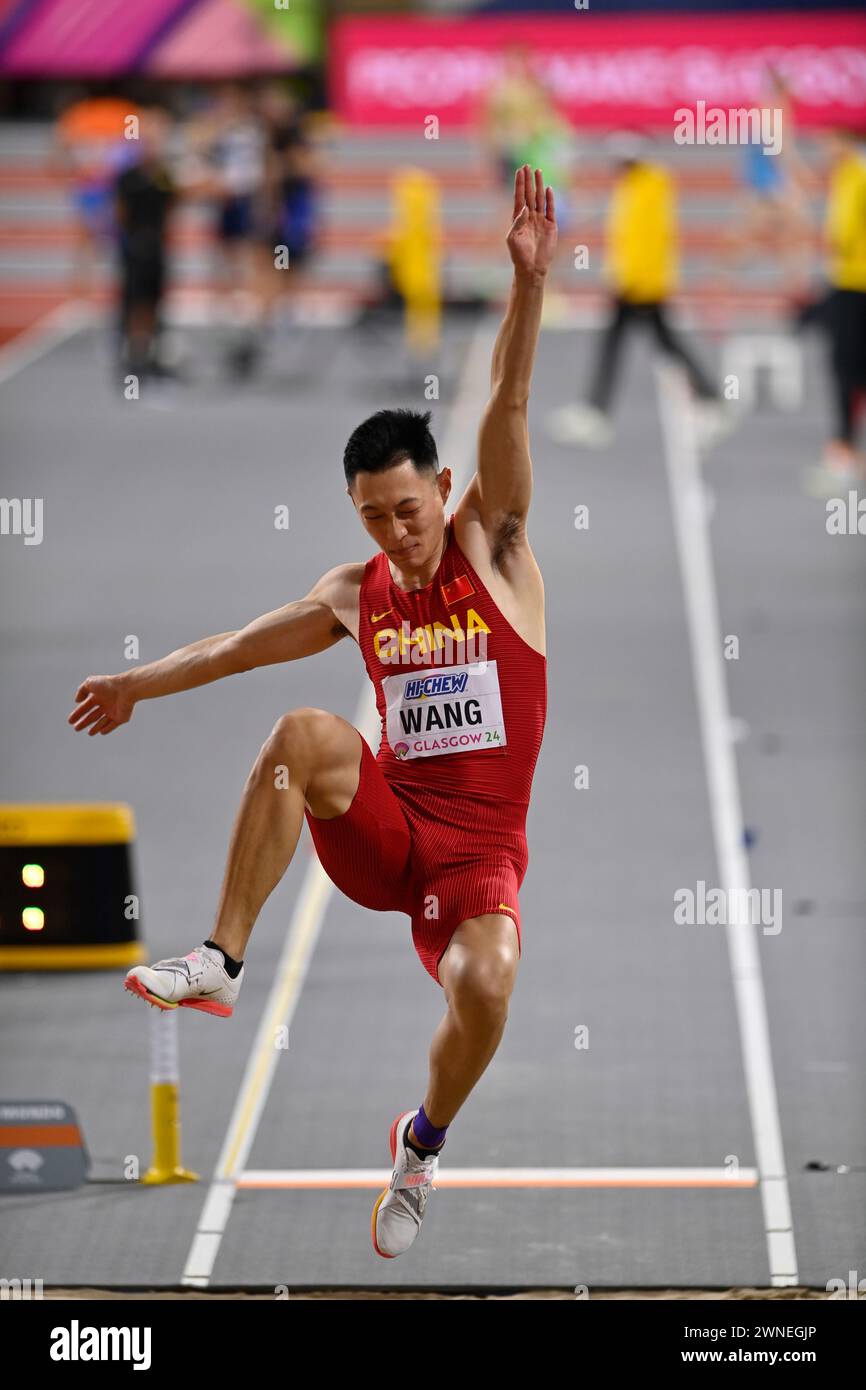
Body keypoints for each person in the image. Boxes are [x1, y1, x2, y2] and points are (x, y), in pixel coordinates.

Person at [68, 166, 556, 1259]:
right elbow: (237, 647)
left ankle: (420, 1145)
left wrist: (525, 288)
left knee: (487, 989)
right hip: (387, 834)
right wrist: (135, 685)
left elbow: (510, 404)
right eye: (374, 518)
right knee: (299, 733)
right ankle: (221, 962)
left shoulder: (496, 544)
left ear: (441, 488)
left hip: (478, 858)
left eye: (407, 507)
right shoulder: (356, 591)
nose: (396, 533)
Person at [547, 133, 726, 448]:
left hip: (640, 285)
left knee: (644, 344)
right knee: (655, 343)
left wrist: (634, 281)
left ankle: (598, 411)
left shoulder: (649, 189)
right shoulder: (634, 187)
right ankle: (708, 397)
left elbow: (648, 242)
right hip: (635, 282)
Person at [802, 129, 866, 495]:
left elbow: (841, 236)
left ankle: (843, 451)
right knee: (849, 369)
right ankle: (844, 449)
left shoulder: (857, 176)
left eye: (830, 141)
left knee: (845, 369)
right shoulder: (845, 176)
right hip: (845, 283)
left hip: (856, 287)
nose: (824, 147)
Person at [113, 107, 178, 383]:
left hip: (157, 246)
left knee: (155, 302)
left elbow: (175, 203)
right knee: (135, 302)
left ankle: (150, 354)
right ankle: (133, 357)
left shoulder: (164, 175)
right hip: (135, 248)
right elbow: (120, 213)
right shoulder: (128, 177)